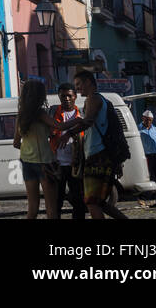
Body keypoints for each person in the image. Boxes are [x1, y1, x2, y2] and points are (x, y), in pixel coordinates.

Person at [62, 71, 128, 219]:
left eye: (79, 85)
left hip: (98, 155)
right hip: (98, 155)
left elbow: (88, 121)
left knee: (92, 202)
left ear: (88, 82)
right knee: (98, 202)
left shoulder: (94, 98)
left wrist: (68, 132)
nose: (78, 89)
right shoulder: (97, 100)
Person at [13, 79, 78, 220]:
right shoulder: (40, 113)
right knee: (51, 209)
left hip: (27, 163)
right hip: (45, 163)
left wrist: (29, 149)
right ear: (40, 96)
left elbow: (16, 143)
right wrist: (79, 120)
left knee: (32, 208)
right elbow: (59, 126)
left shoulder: (21, 115)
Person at [49, 83, 87, 219]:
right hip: (57, 164)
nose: (66, 98)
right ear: (59, 97)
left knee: (78, 200)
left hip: (75, 165)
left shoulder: (82, 114)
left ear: (75, 97)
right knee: (56, 202)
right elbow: (48, 132)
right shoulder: (52, 112)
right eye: (63, 96)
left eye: (69, 95)